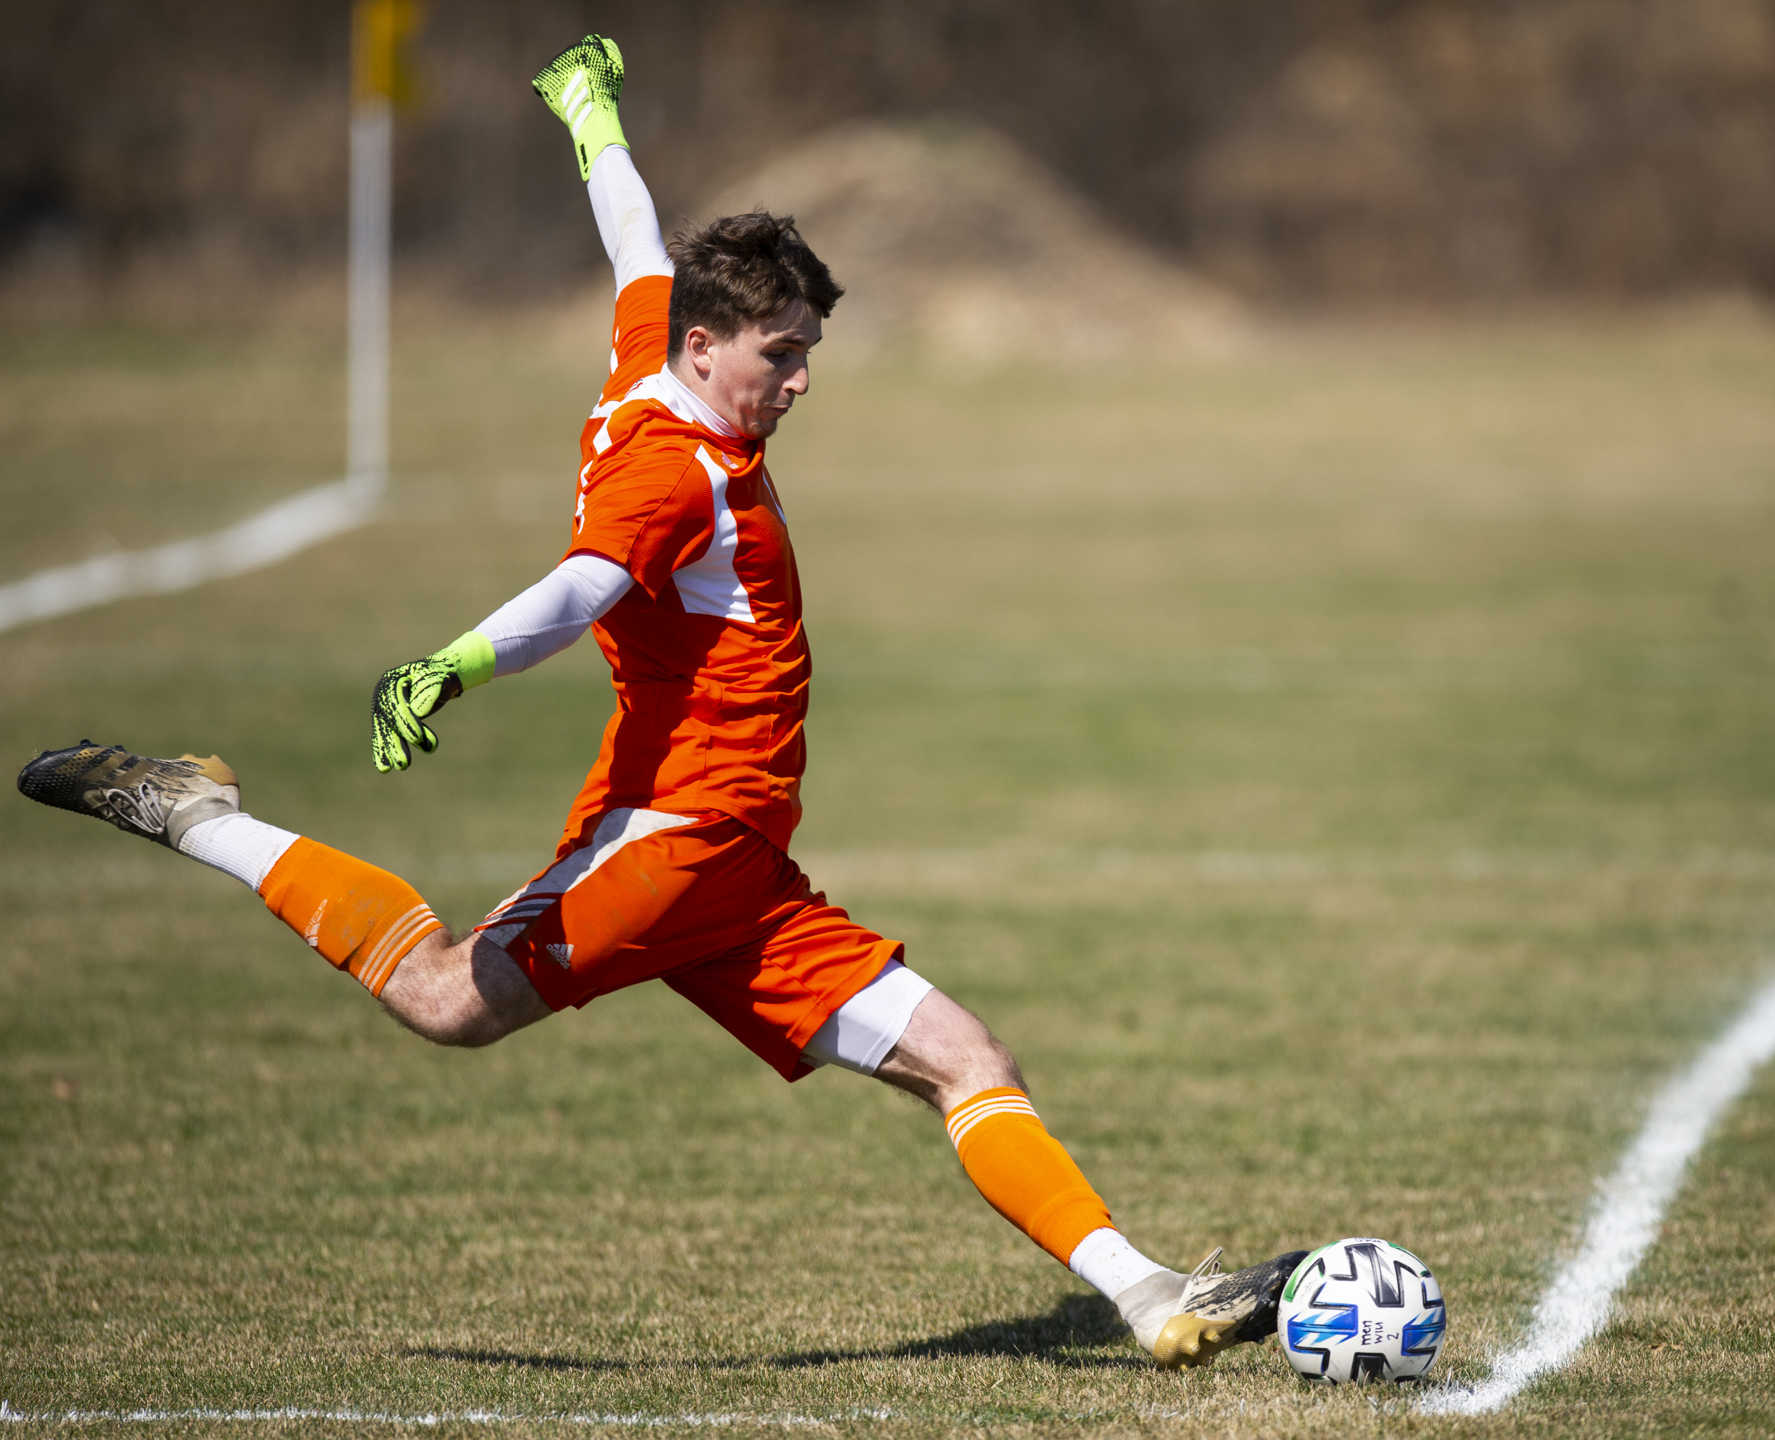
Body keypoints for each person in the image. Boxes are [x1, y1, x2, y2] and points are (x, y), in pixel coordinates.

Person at [15, 35, 1308, 1369]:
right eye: (782, 353)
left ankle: (1149, 1293)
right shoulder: (675, 474)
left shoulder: (657, 352)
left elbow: (634, 240)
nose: (801, 378)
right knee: (448, 998)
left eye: (808, 350)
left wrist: (591, 115)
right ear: (709, 349)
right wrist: (454, 663)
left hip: (742, 865)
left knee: (965, 1057)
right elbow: (579, 589)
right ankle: (198, 816)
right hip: (671, 840)